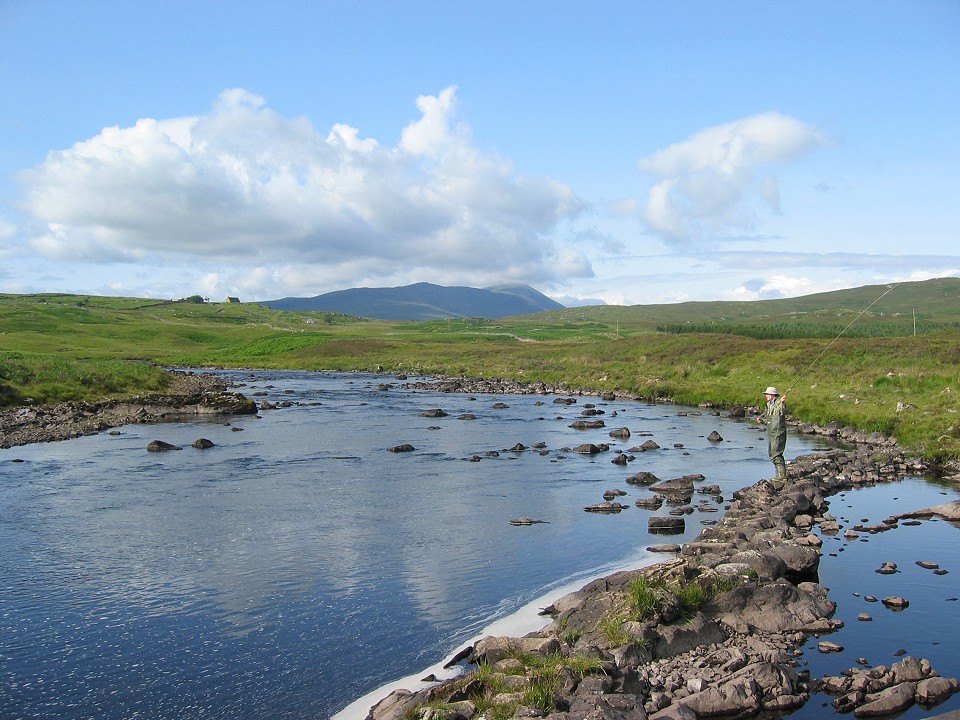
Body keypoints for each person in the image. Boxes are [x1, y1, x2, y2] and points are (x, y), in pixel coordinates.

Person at [756, 386, 788, 479]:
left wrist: (782, 402)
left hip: (778, 433)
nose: (766, 396)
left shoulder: (779, 403)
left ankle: (781, 476)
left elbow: (782, 412)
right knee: (772, 453)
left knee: (776, 454)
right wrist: (762, 421)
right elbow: (770, 421)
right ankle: (778, 475)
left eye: (767, 394)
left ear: (772, 395)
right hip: (772, 433)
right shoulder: (769, 405)